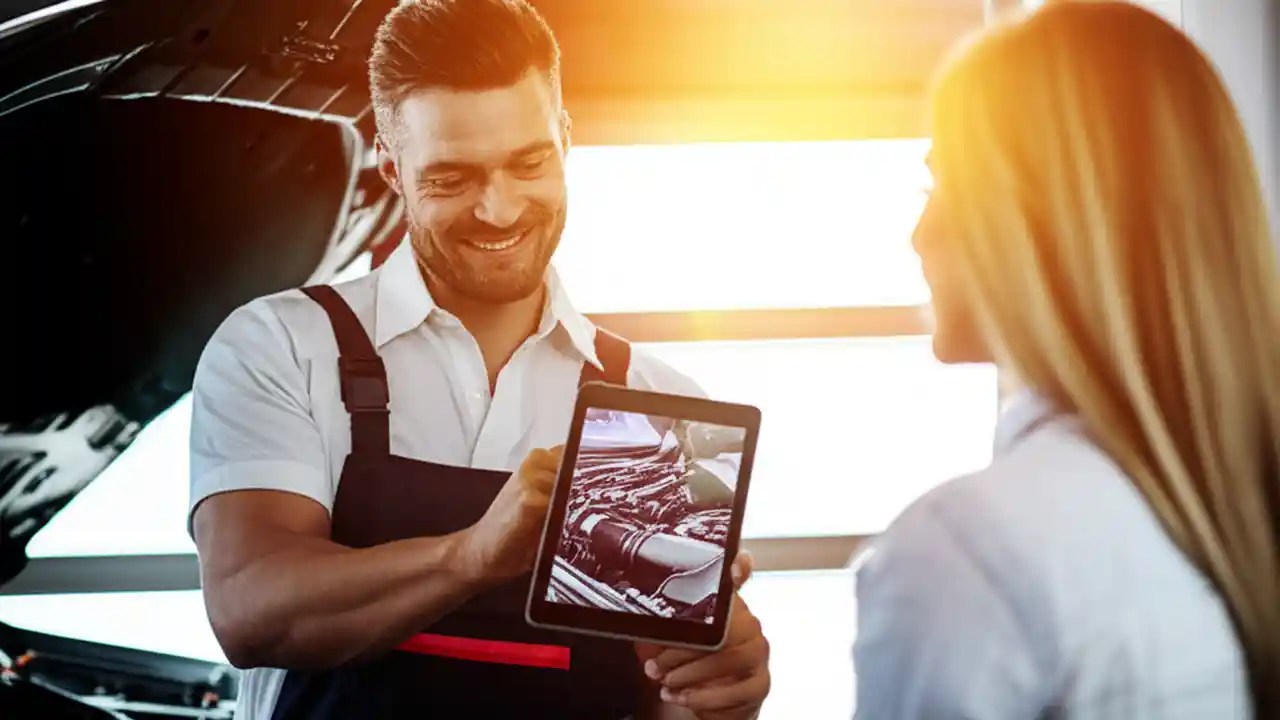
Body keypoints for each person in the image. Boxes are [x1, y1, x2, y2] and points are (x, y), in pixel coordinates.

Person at [186, 1, 770, 718]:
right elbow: (251, 610)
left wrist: (719, 690)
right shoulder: (282, 345)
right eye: (451, 179)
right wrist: (470, 556)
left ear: (564, 138)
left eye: (528, 164)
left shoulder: (652, 398)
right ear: (393, 169)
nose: (498, 210)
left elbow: (661, 701)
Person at [852, 3, 1279, 719]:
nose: (917, 235)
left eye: (942, 188)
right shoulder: (1224, 509)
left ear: (1041, 219)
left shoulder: (966, 553)